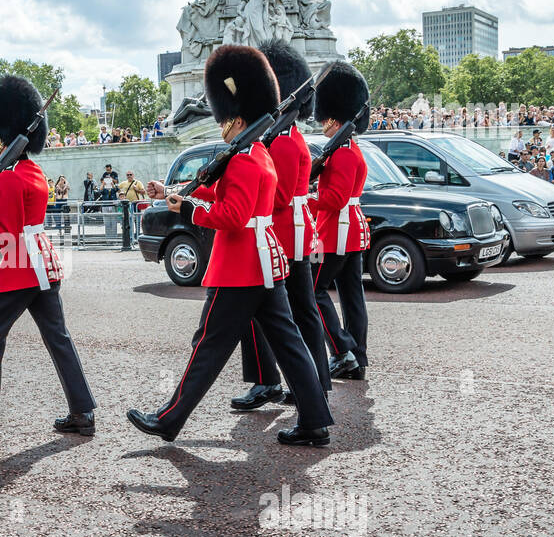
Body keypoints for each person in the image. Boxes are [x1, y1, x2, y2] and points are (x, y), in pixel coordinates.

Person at [127, 45, 334, 447]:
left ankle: (169, 419)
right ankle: (314, 420)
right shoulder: (258, 155)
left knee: (208, 344)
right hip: (266, 260)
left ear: (234, 118)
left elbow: (232, 215)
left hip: (241, 264)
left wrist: (189, 208)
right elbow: (246, 198)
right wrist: (173, 191)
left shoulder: (242, 158)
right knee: (288, 344)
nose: (219, 124)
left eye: (222, 118)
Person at [0, 74, 96, 437]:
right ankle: (82, 411)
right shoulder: (31, 171)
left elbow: (4, 234)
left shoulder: (10, 176)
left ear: (3, 136)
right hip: (45, 264)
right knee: (59, 339)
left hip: (21, 267)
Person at [228, 41, 332, 411]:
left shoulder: (285, 144)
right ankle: (294, 382)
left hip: (283, 235)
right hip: (284, 235)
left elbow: (280, 197)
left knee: (292, 313)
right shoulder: (280, 138)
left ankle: (298, 382)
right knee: (290, 313)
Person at [311, 62, 371, 381]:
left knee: (314, 290)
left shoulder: (343, 153)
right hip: (349, 233)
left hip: (336, 233)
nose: (323, 124)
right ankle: (357, 359)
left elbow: (334, 199)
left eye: (326, 119)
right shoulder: (347, 149)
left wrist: (305, 198)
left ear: (334, 118)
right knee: (351, 298)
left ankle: (342, 350)